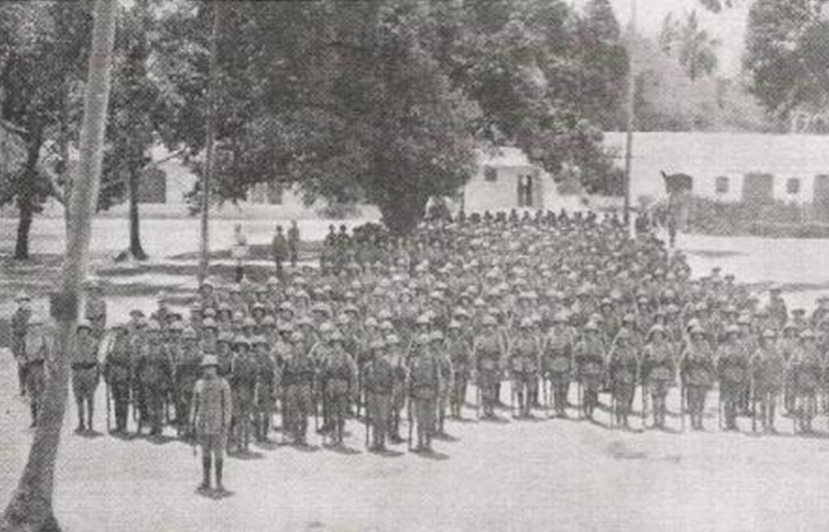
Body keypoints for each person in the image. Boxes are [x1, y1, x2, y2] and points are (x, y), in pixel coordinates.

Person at [190, 355, 233, 494]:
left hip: (218, 422)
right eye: (206, 368)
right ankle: (206, 480)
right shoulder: (199, 384)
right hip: (203, 422)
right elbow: (194, 404)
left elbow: (227, 405)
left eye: (211, 367)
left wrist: (226, 422)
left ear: (216, 369)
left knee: (219, 453)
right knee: (205, 452)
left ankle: (219, 483)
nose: (209, 371)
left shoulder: (223, 383)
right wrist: (192, 420)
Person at [408, 333, 441, 452]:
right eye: (420, 346)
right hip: (418, 393)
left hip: (430, 392)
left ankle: (429, 443)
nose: (423, 348)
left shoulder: (433, 360)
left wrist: (437, 392)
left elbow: (437, 377)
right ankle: (420, 443)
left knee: (430, 419)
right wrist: (409, 391)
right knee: (420, 419)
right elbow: (410, 377)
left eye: (425, 346)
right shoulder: (414, 361)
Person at [716, 325, 749, 431]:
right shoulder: (723, 347)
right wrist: (721, 367)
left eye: (735, 335)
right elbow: (718, 362)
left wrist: (743, 369)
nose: (733, 337)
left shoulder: (742, 347)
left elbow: (746, 362)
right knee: (727, 400)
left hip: (737, 376)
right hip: (726, 376)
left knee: (735, 400)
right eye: (731, 335)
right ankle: (727, 422)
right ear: (727, 336)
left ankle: (733, 422)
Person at [364, 339, 393, 451]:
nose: (378, 353)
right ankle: (375, 441)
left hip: (383, 395)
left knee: (383, 419)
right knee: (374, 419)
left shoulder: (387, 365)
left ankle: (382, 441)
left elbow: (391, 380)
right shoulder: (368, 365)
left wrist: (390, 395)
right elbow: (365, 380)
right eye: (376, 351)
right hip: (372, 394)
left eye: (380, 350)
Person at [72, 320, 100, 433]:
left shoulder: (94, 342)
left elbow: (98, 358)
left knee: (90, 399)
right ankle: (81, 423)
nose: (83, 332)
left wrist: (97, 376)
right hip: (77, 372)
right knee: (79, 399)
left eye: (86, 330)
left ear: (89, 331)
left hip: (89, 372)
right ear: (78, 331)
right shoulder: (73, 343)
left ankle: (90, 424)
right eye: (81, 330)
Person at [104, 324, 133, 434]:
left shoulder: (127, 343)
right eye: (116, 330)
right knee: (116, 401)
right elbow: (107, 358)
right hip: (113, 374)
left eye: (119, 330)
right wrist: (107, 371)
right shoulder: (111, 343)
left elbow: (130, 359)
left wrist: (116, 359)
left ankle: (124, 426)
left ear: (124, 331)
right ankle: (118, 425)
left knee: (123, 401)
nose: (117, 332)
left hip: (123, 374)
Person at [23, 319, 51, 428]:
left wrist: (49, 368)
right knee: (32, 395)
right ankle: (34, 419)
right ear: (28, 328)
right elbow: (21, 354)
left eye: (36, 326)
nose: (34, 328)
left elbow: (49, 355)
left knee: (41, 395)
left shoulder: (43, 339)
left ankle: (43, 419)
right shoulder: (25, 339)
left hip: (40, 368)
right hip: (29, 369)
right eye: (31, 326)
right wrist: (23, 361)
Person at [11, 290, 32, 397]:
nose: (23, 303)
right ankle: (22, 387)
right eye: (20, 301)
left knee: (33, 366)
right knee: (21, 366)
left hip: (32, 342)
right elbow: (14, 332)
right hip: (20, 343)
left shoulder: (33, 315)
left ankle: (31, 387)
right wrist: (15, 348)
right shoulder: (15, 316)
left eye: (25, 301)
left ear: (28, 302)